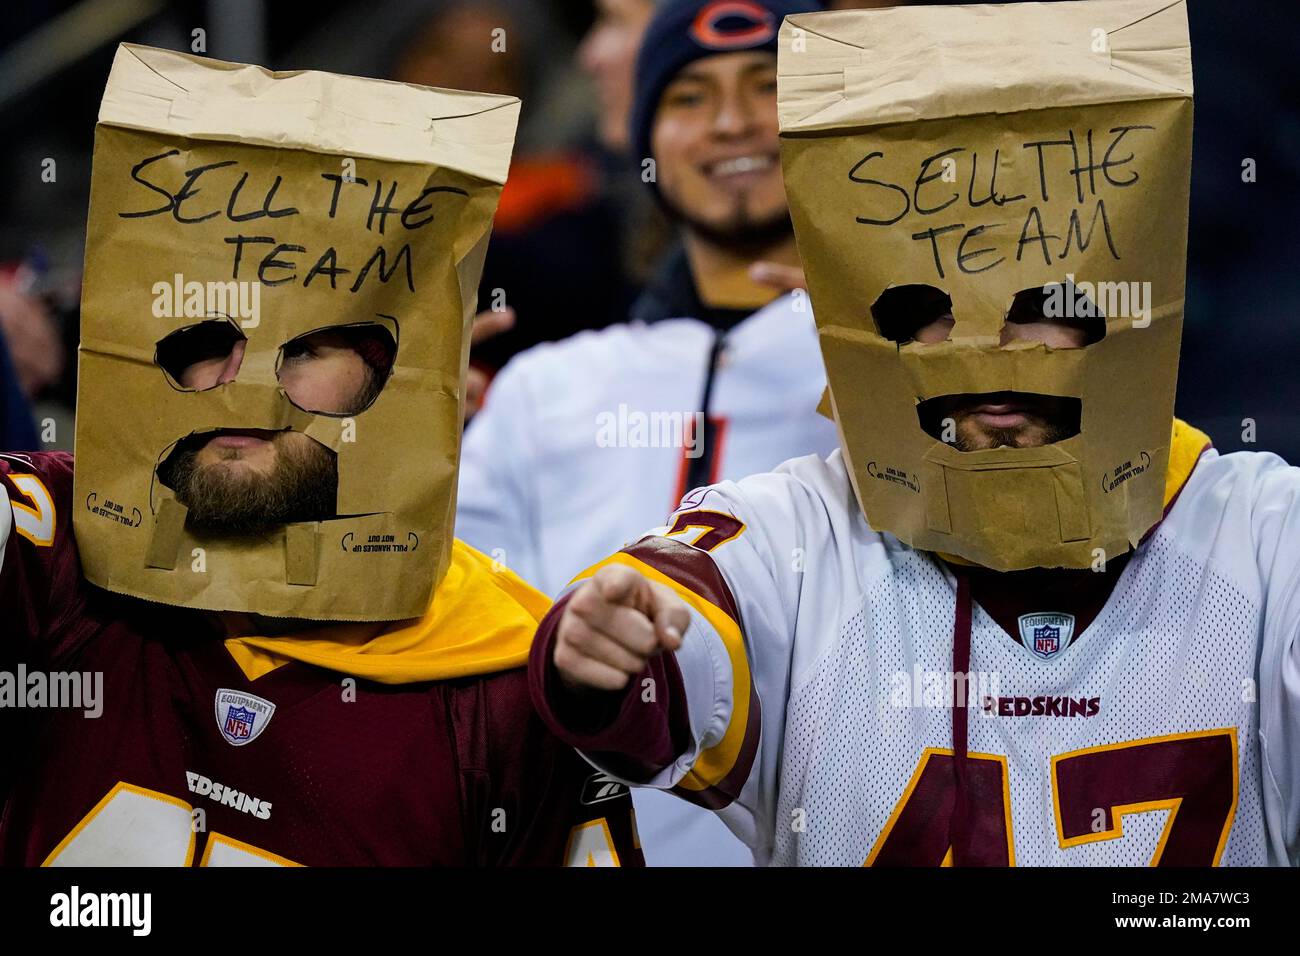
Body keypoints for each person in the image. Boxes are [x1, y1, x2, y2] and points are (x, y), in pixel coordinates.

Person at [528, 1, 1300, 866]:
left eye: (1037, 303)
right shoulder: (797, 533)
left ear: (1120, 306)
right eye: (927, 309)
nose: (986, 349)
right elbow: (673, 647)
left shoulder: (1268, 535)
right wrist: (604, 648)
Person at [0, 48, 641, 868]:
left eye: (308, 345)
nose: (245, 382)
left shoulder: (512, 690)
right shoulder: (57, 555)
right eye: (208, 334)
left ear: (415, 372)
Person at [457, 0, 831, 866]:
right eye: (690, 97)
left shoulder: (926, 364)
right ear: (647, 146)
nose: (734, 122)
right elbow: (453, 642)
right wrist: (388, 448)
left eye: (770, 87)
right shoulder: (548, 386)